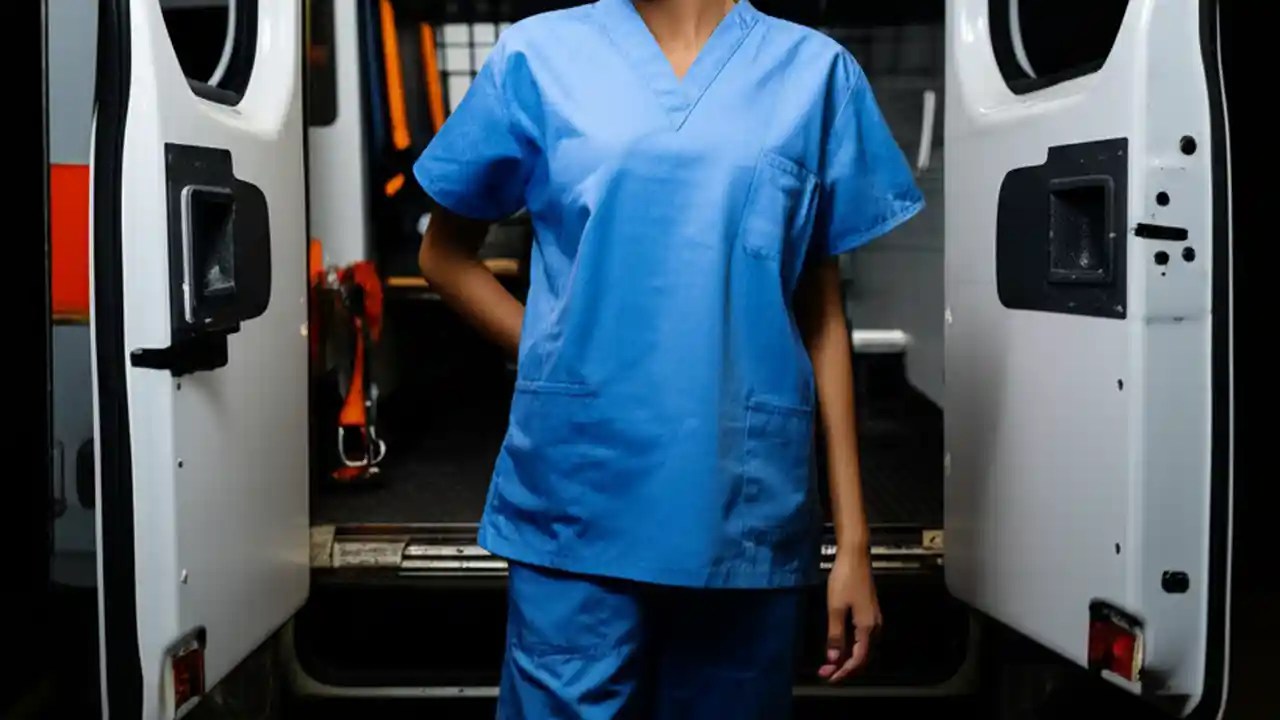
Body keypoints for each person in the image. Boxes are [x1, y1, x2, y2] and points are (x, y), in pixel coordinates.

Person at [413, 0, 923, 716]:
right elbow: (443, 256)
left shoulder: (813, 73)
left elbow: (822, 316)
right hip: (581, 499)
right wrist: (562, 355)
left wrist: (855, 545)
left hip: (742, 509)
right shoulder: (538, 56)